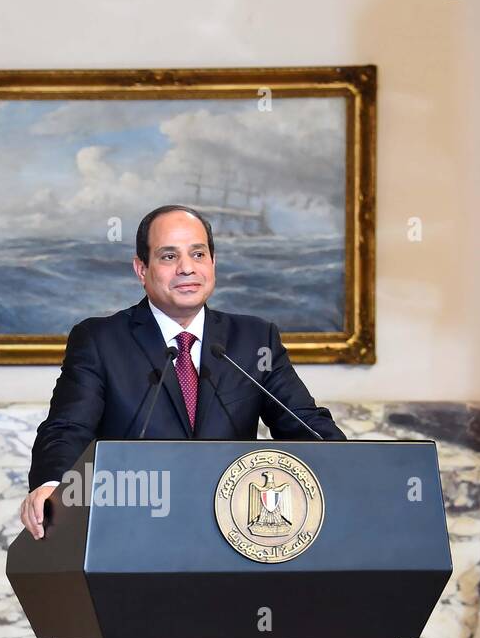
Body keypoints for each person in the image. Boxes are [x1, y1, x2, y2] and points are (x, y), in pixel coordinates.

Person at [19, 204, 346, 538]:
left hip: (234, 533)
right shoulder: (100, 340)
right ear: (141, 269)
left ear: (213, 263)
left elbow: (305, 424)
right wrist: (53, 485)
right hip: (132, 532)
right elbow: (67, 427)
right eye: (169, 257)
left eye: (199, 254)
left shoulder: (254, 340)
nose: (187, 269)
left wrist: (352, 469)